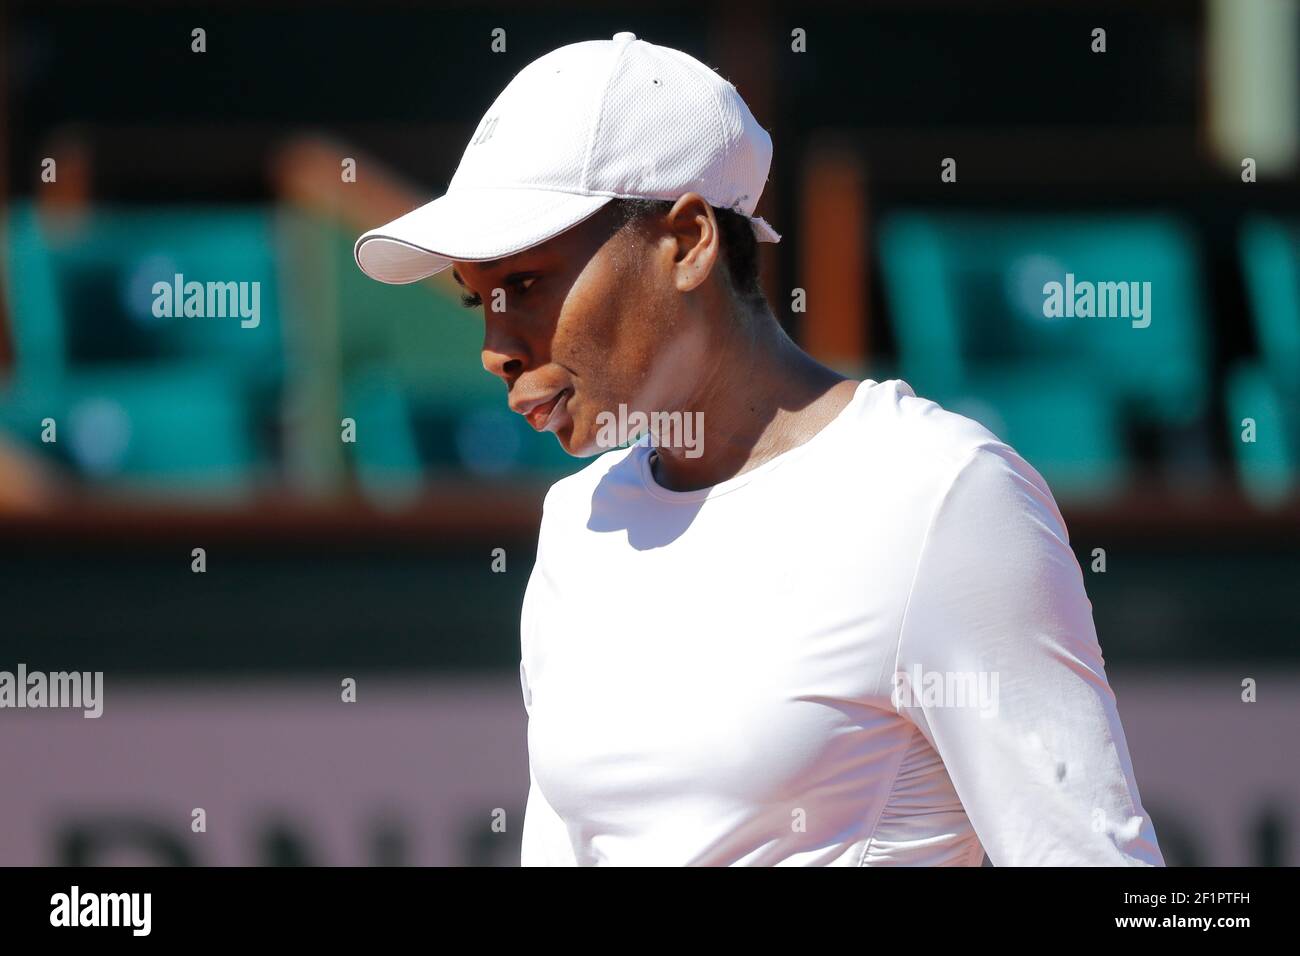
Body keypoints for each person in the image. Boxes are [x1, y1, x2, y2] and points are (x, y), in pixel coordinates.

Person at [354, 32, 1164, 866]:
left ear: (689, 242)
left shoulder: (941, 495)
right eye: (477, 301)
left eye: (524, 283)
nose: (496, 347)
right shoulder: (577, 519)